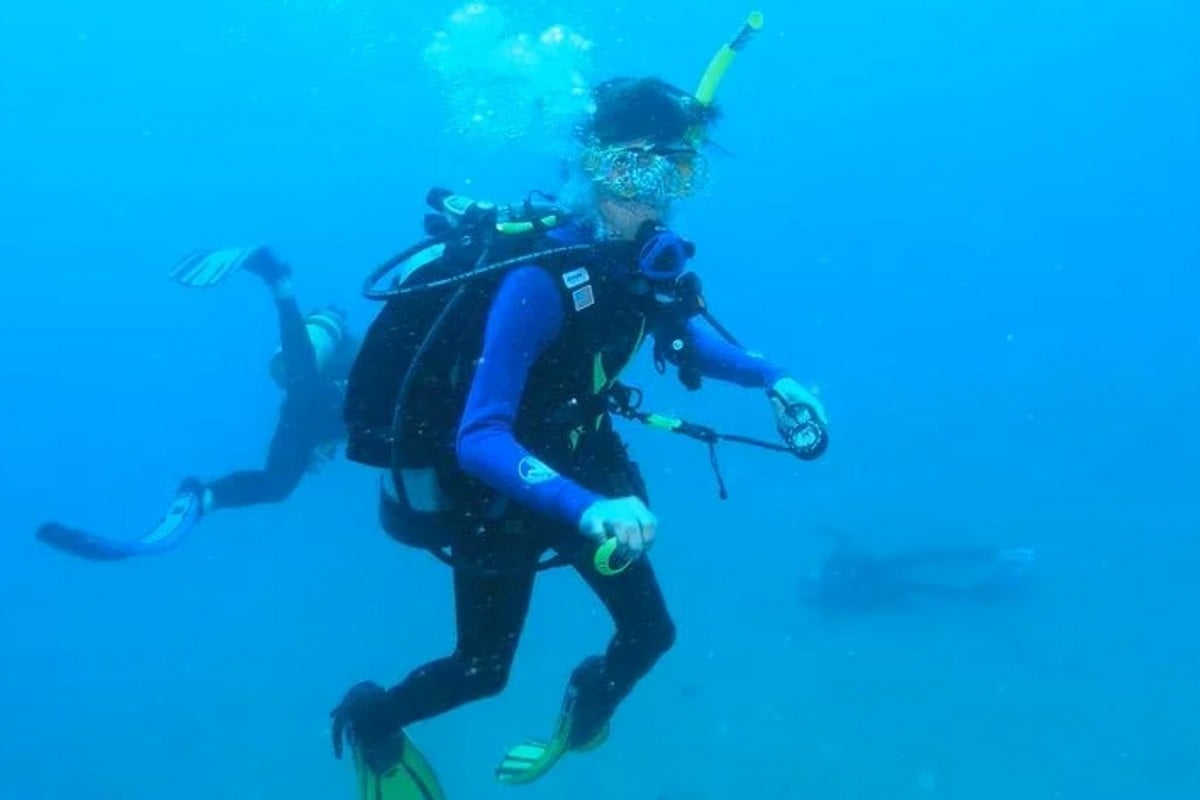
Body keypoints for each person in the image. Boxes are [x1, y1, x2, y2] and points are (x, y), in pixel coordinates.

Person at [329, 67, 829, 798]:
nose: (651, 198)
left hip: (587, 469)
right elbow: (480, 437)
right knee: (481, 672)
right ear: (592, 170)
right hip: (497, 498)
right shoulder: (539, 279)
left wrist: (775, 379)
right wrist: (591, 510)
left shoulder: (642, 269)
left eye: (673, 175)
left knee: (651, 634)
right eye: (631, 171)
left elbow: (688, 340)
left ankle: (583, 708)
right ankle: (375, 718)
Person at [35, 246, 358, 560]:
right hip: (325, 404)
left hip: (305, 413)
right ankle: (276, 278)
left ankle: (204, 497)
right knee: (302, 378)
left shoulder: (344, 363)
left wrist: (319, 445)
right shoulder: (352, 357)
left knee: (277, 482)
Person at [798, 529, 1036, 615]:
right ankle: (998, 583)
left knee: (928, 565)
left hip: (880, 578)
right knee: (931, 579)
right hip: (883, 586)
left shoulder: (832, 585)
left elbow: (842, 549)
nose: (814, 573)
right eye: (812, 577)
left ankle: (997, 566)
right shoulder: (832, 591)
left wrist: (837, 537)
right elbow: (842, 554)